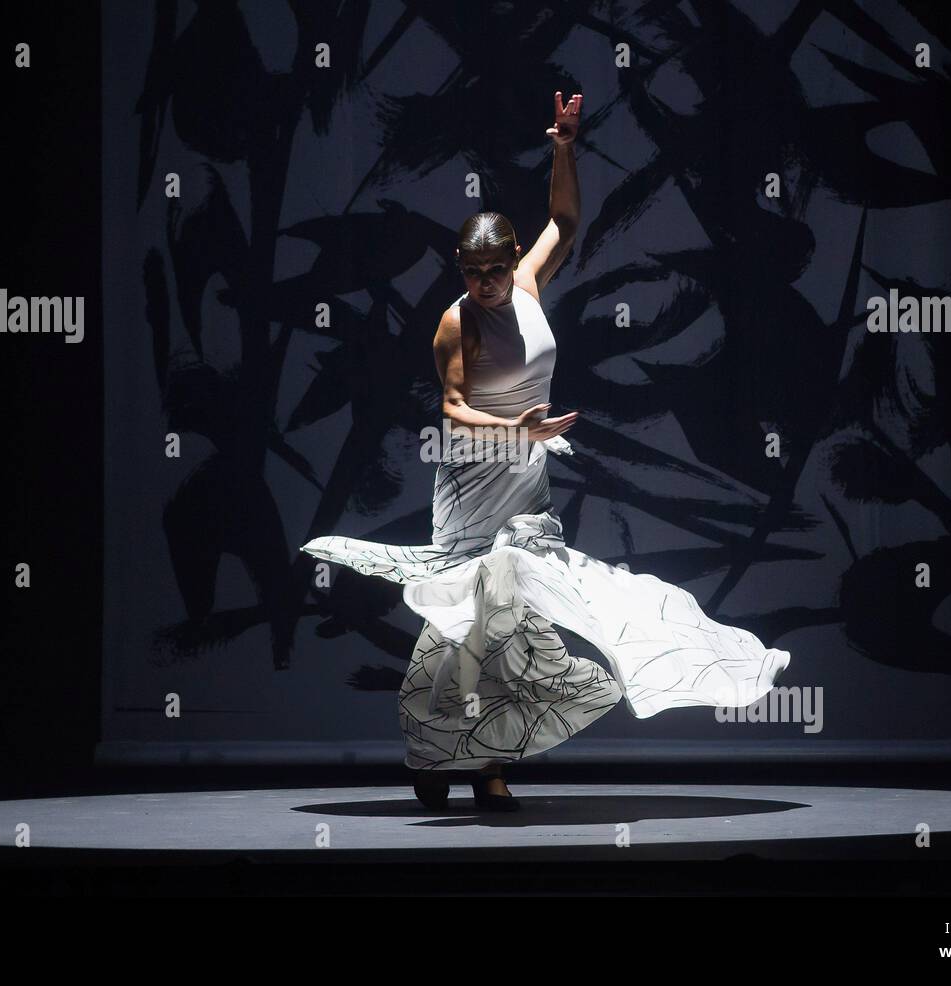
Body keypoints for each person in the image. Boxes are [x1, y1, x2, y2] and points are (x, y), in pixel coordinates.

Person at [300, 92, 790, 812]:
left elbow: (564, 220)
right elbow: (452, 407)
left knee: (514, 618)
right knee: (478, 616)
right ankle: (466, 762)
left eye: (493, 270)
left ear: (508, 260)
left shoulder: (528, 286)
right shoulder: (454, 322)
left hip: (526, 487)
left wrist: (563, 145)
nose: (484, 283)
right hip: (473, 483)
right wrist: (515, 431)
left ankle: (461, 757)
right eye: (471, 272)